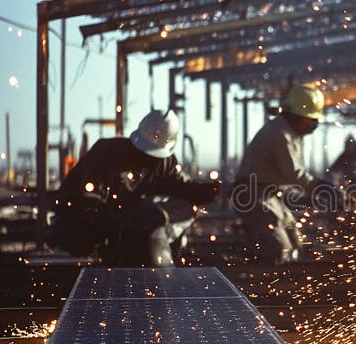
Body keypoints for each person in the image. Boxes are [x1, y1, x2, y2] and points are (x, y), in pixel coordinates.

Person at [52, 108, 220, 266]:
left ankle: (157, 244)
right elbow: (87, 202)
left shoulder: (164, 161)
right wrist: (120, 221)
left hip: (131, 222)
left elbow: (178, 185)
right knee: (92, 230)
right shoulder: (106, 153)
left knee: (186, 207)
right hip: (83, 225)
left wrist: (201, 191)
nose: (149, 158)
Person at [232, 84, 332, 264]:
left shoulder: (290, 132)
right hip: (253, 197)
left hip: (270, 196)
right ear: (297, 116)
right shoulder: (279, 134)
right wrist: (323, 188)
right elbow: (294, 173)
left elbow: (285, 178)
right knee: (280, 250)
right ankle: (268, 287)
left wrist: (310, 195)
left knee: (295, 243)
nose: (313, 125)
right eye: (310, 119)